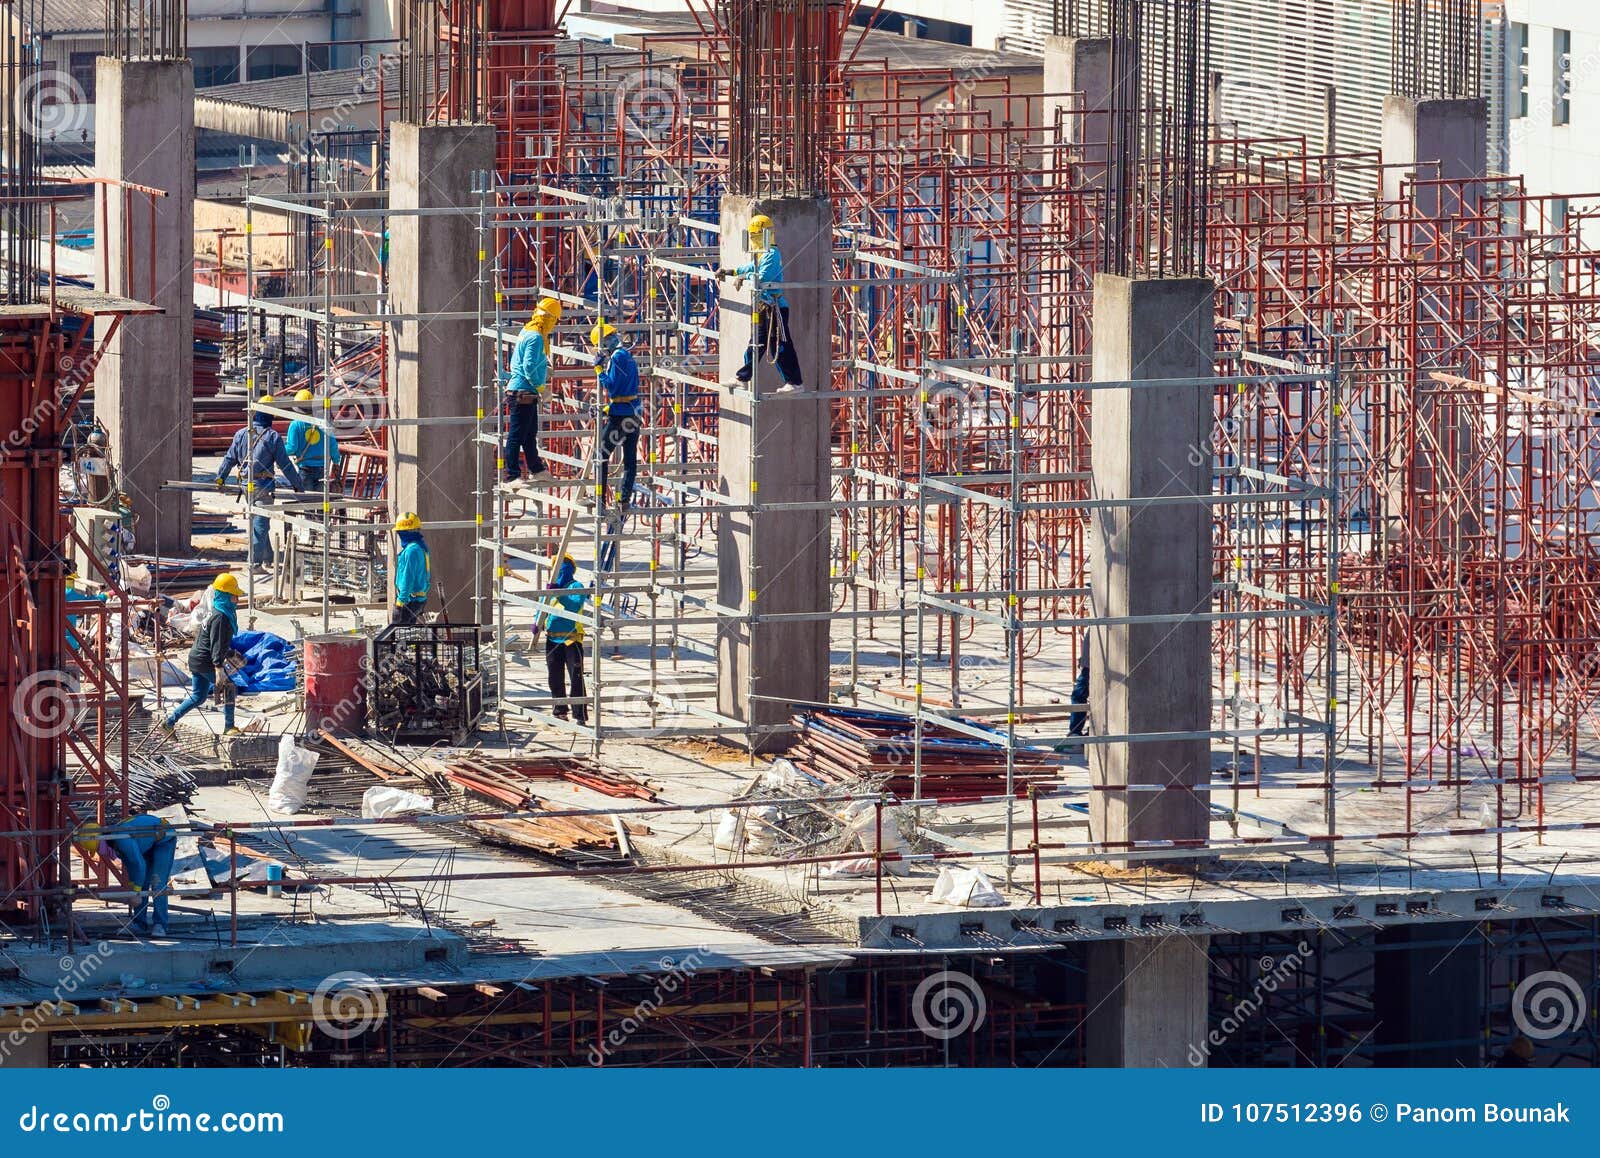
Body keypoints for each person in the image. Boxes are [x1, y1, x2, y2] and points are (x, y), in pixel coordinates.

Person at [215, 396, 306, 572]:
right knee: (260, 524)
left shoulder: (241, 434)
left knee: (259, 520)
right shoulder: (273, 436)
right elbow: (285, 465)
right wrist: (297, 485)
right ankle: (254, 563)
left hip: (245, 484)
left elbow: (229, 458)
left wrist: (221, 477)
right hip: (263, 486)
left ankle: (268, 558)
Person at [717, 213, 803, 391]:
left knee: (780, 346)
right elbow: (749, 268)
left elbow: (762, 277)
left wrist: (745, 276)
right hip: (764, 307)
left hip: (775, 307)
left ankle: (795, 382)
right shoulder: (762, 255)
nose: (753, 240)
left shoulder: (771, 254)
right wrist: (731, 272)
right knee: (756, 343)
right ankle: (742, 377)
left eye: (755, 235)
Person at [75, 813, 180, 936]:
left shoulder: (122, 839)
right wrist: (133, 887)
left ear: (100, 842)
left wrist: (136, 892)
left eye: (98, 849)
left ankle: (160, 924)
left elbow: (139, 864)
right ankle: (139, 923)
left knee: (157, 882)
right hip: (148, 840)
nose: (99, 852)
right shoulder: (113, 839)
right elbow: (130, 864)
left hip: (164, 839)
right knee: (140, 883)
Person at [162, 573, 240, 735]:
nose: (237, 599)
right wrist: (218, 668)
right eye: (234, 595)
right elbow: (216, 643)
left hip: (196, 658)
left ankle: (169, 723)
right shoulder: (221, 617)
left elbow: (212, 641)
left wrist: (229, 653)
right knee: (229, 687)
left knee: (198, 696)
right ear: (225, 596)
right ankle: (229, 727)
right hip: (205, 661)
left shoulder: (217, 612)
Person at [504, 297, 561, 485]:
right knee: (517, 436)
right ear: (550, 318)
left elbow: (521, 361)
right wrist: (541, 387)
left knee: (529, 435)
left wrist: (543, 369)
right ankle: (512, 475)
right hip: (523, 392)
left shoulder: (527, 330)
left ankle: (537, 469)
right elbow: (528, 367)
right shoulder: (536, 337)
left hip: (522, 390)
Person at [591, 322, 641, 513]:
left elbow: (612, 387)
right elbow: (624, 393)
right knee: (630, 461)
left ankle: (600, 499)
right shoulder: (627, 356)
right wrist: (606, 409)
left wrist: (599, 371)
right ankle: (623, 500)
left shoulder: (617, 357)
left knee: (600, 456)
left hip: (620, 418)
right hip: (632, 414)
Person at [534, 554, 588, 726]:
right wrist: (537, 622)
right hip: (552, 639)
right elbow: (541, 607)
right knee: (555, 678)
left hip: (571, 640)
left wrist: (559, 593)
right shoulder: (550, 587)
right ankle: (560, 711)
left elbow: (574, 606)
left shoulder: (576, 586)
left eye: (562, 565)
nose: (558, 570)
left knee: (576, 677)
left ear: (570, 568)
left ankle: (579, 715)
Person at [285, 387, 341, 491]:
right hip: (322, 468)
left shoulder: (295, 424)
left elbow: (292, 448)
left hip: (305, 468)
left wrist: (278, 451)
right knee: (321, 499)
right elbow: (332, 445)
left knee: (307, 499)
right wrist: (336, 461)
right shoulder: (323, 423)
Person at [392, 511, 431, 624]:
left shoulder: (412, 551)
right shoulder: (420, 546)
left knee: (399, 632)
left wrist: (399, 604)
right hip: (417, 599)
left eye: (400, 532)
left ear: (405, 532)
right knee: (409, 632)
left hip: (410, 601)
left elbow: (408, 579)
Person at [1069, 627, 1090, 738]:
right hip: (1088, 665)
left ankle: (1075, 732)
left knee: (1078, 696)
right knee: (1079, 695)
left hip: (1091, 666)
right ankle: (1075, 732)